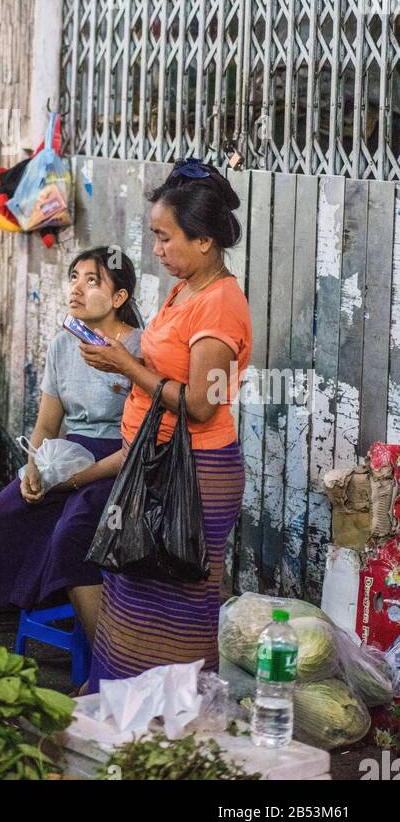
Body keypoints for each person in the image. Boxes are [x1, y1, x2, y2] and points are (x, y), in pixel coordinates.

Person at [78, 159, 251, 688]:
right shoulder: (186, 289)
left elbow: (202, 404)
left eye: (164, 238)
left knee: (175, 607)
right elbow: (167, 366)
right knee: (129, 593)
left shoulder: (221, 305)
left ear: (202, 241)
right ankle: (124, 718)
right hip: (152, 463)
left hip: (193, 474)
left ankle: (169, 726)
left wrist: (126, 365)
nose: (156, 250)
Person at [0, 247, 143, 643]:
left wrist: (77, 480)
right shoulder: (62, 347)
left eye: (92, 280)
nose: (76, 288)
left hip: (119, 467)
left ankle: (100, 673)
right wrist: (34, 467)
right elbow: (48, 424)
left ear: (119, 299)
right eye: (74, 277)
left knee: (75, 530)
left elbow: (140, 443)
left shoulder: (139, 350)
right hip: (67, 460)